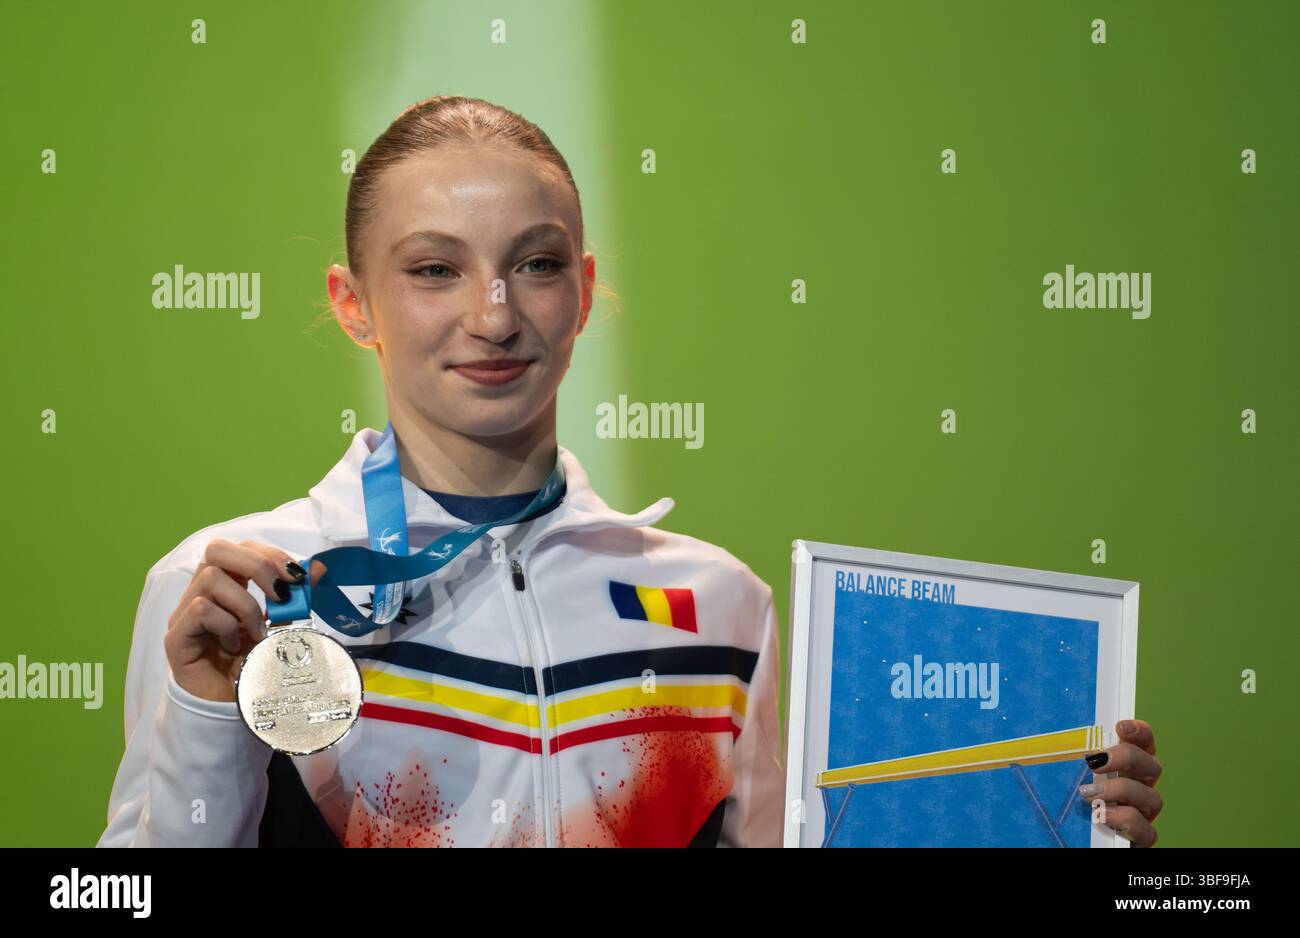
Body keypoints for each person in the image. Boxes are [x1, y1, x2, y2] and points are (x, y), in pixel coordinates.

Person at [97, 95, 1163, 849]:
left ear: (585, 286)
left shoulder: (720, 606)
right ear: (352, 302)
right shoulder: (237, 589)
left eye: (537, 261)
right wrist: (204, 718)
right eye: (433, 269)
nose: (493, 313)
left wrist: (1080, 838)